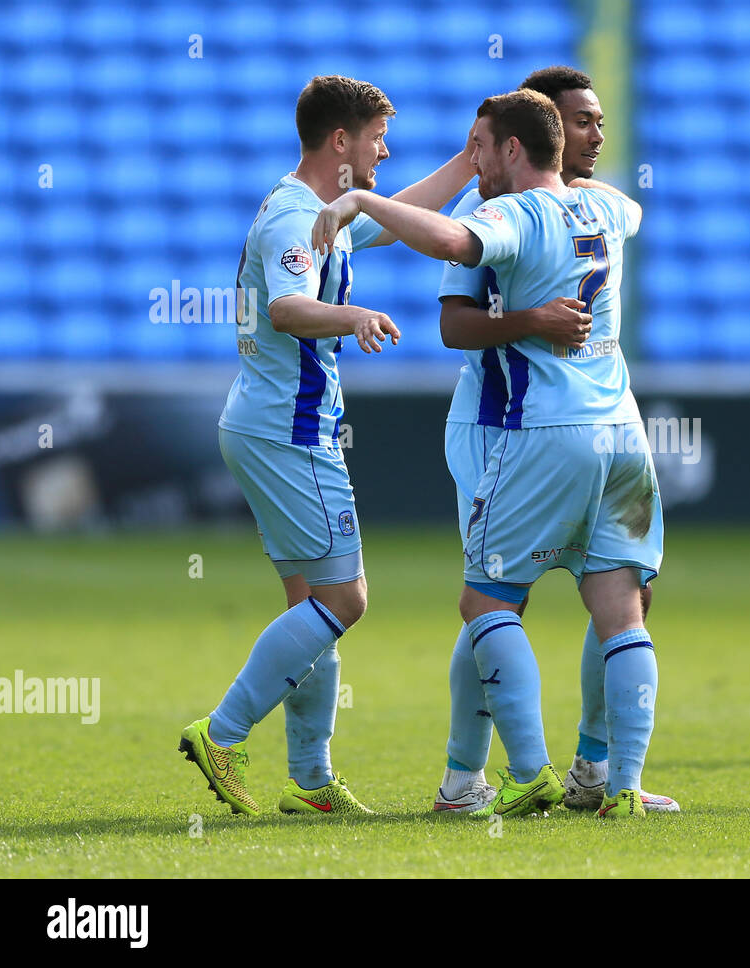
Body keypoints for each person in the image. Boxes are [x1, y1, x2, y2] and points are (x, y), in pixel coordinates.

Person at [314, 89, 662, 819]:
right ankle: (621, 788)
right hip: (623, 433)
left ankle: (528, 769)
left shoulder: (510, 214)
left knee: (487, 601)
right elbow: (626, 208)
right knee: (623, 612)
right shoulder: (606, 210)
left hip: (539, 431)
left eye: (483, 145)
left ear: (510, 148)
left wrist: (366, 205)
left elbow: (450, 242)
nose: (475, 159)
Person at [180, 75, 475, 816]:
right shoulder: (293, 216)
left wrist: (470, 161)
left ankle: (311, 783)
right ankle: (222, 733)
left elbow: (402, 211)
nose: (385, 148)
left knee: (309, 604)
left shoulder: (322, 209)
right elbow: (285, 310)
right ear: (340, 142)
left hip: (264, 423)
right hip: (290, 431)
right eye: (377, 136)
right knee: (345, 598)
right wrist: (354, 316)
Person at [432, 66, 678, 815]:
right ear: (541, 132)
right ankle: (466, 774)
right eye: (579, 122)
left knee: (515, 602)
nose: (595, 135)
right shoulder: (497, 210)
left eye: (601, 121)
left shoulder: (587, 204)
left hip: (554, 427)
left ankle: (590, 773)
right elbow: (454, 323)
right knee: (510, 602)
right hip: (497, 428)